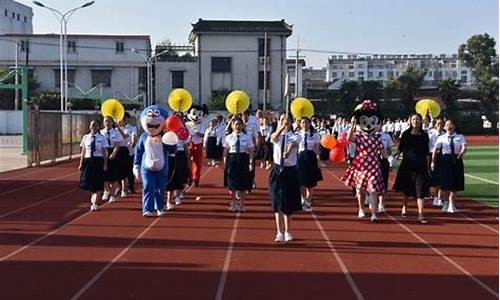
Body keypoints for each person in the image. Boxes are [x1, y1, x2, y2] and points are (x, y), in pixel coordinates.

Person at [269, 112, 302, 243]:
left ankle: (288, 231)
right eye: (282, 120)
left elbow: (293, 144)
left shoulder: (295, 136)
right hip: (277, 170)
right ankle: (279, 231)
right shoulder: (277, 136)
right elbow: (273, 138)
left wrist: (288, 151)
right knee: (277, 202)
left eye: (286, 120)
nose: (284, 122)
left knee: (288, 203)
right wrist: (281, 128)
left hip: (290, 170)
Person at [393, 114, 430, 224]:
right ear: (410, 121)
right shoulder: (405, 134)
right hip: (407, 164)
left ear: (420, 121)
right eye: (414, 119)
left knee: (421, 189)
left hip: (421, 165)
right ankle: (404, 206)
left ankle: (420, 214)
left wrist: (428, 166)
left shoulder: (424, 135)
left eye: (418, 119)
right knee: (406, 188)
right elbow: (400, 148)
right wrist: (393, 156)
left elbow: (426, 151)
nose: (416, 121)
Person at [432, 119, 467, 213]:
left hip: (456, 159)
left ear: (454, 126)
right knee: (445, 183)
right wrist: (433, 162)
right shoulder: (441, 137)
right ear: (444, 127)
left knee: (454, 183)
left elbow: (464, 146)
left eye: (451, 124)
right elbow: (435, 150)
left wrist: (461, 153)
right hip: (445, 160)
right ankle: (446, 203)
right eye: (447, 125)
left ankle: (452, 204)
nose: (449, 126)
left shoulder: (460, 137)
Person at [223, 117, 255, 212]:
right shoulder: (228, 137)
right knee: (232, 184)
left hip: (243, 159)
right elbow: (225, 152)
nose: (237, 126)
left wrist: (250, 162)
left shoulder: (246, 137)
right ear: (232, 126)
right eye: (235, 124)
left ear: (242, 126)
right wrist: (224, 162)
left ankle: (242, 204)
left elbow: (251, 151)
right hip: (232, 160)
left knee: (242, 184)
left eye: (239, 124)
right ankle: (233, 203)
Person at [79, 120, 108, 211]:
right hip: (88, 161)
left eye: (95, 125)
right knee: (89, 182)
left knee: (98, 182)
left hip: (98, 160)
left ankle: (95, 203)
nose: (93, 127)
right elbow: (83, 151)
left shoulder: (102, 138)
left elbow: (104, 152)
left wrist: (105, 163)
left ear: (98, 127)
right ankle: (93, 195)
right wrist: (81, 163)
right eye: (92, 125)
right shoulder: (86, 137)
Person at [297, 117, 323, 212]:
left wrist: (318, 159)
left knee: (311, 183)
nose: (304, 124)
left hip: (311, 158)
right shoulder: (297, 134)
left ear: (309, 124)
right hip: (300, 158)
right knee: (301, 182)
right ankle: (303, 198)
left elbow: (316, 148)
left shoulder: (315, 134)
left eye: (306, 122)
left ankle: (308, 200)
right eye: (303, 122)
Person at [100, 116, 123, 203]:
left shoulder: (116, 132)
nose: (107, 123)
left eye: (109, 121)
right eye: (105, 121)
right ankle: (106, 190)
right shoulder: (101, 133)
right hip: (103, 153)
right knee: (104, 175)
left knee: (114, 176)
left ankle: (112, 195)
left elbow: (117, 144)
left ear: (112, 122)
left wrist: (113, 153)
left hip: (113, 152)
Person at [428, 118, 445, 207]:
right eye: (438, 123)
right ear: (435, 124)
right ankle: (434, 195)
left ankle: (439, 197)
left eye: (441, 123)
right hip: (431, 155)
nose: (440, 125)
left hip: (442, 155)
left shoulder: (445, 134)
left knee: (441, 176)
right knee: (432, 176)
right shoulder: (431, 133)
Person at [122, 112, 138, 194]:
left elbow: (133, 136)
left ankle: (131, 186)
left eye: (126, 118)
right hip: (120, 152)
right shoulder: (118, 128)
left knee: (130, 170)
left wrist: (133, 142)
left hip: (130, 152)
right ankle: (121, 187)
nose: (124, 119)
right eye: (123, 117)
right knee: (121, 170)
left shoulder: (132, 128)